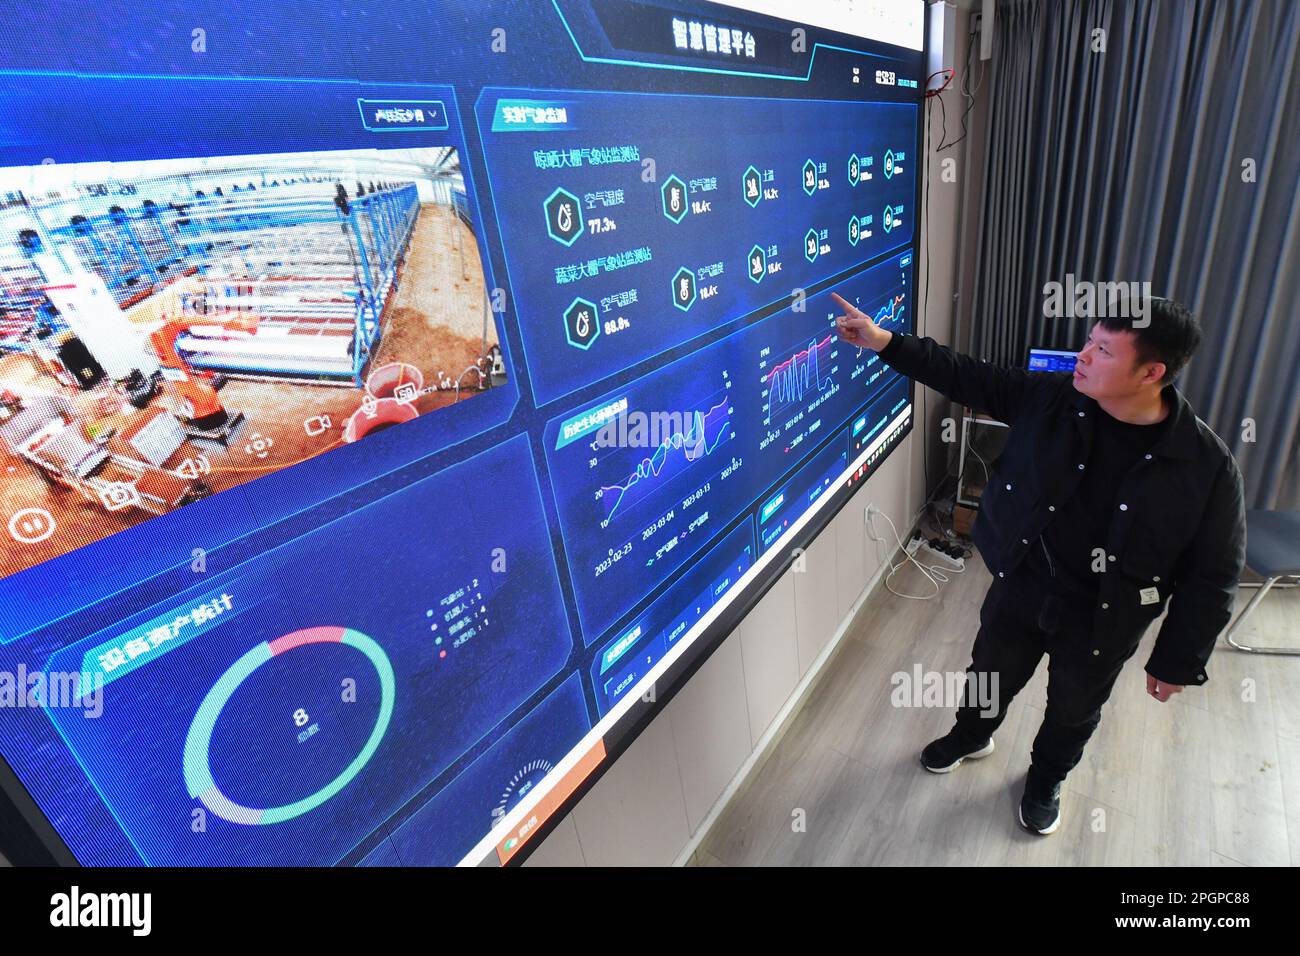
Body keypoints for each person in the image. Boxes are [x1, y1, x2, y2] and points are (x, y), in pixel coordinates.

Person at [832, 292, 1246, 835]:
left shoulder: (1207, 467)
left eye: (1101, 350)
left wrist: (1175, 662)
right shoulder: (1052, 399)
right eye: (1088, 342)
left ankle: (1046, 777)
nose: (1083, 356)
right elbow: (964, 375)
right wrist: (885, 341)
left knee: (1073, 709)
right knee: (989, 674)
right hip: (1023, 584)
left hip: (1104, 618)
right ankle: (970, 736)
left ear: (1152, 372)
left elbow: (1213, 577)